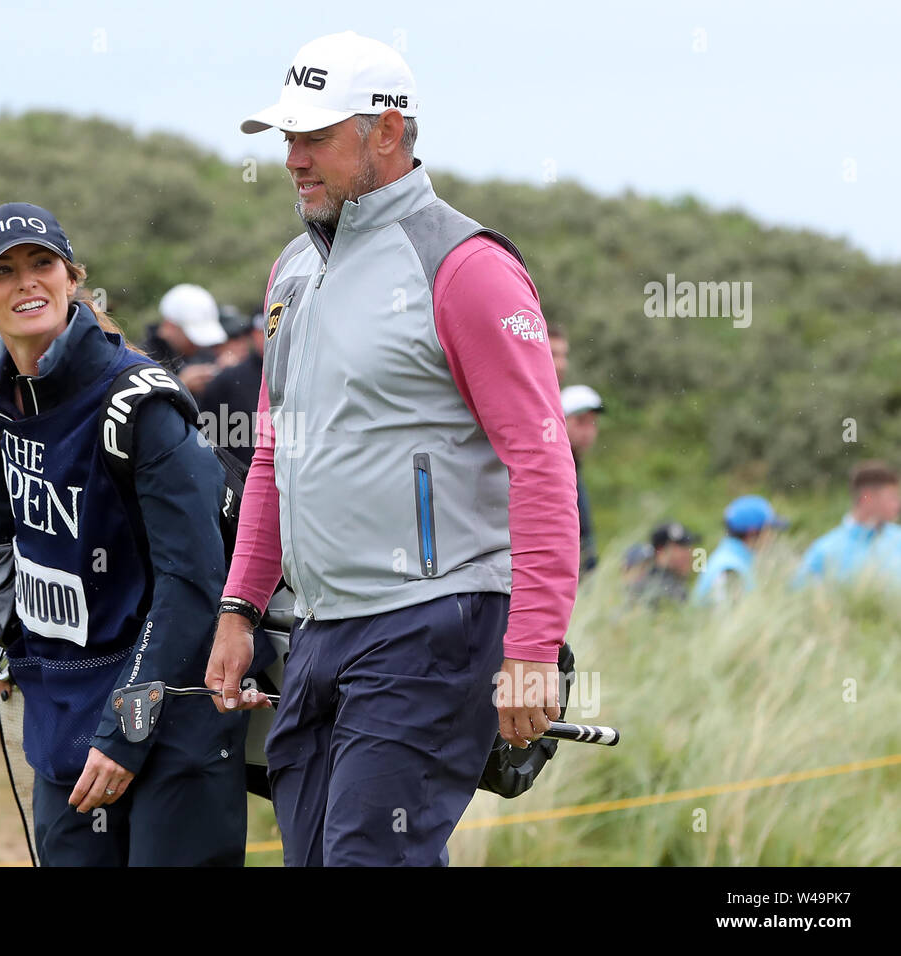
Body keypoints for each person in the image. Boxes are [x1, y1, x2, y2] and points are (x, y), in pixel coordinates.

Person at [205, 31, 579, 867]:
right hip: (320, 626)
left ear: (386, 131)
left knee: (368, 858)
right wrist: (238, 610)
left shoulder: (467, 266)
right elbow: (273, 456)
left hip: (436, 621)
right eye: (286, 138)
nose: (293, 159)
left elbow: (542, 462)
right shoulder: (291, 271)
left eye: (315, 137)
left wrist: (530, 650)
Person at [0, 202, 246, 866]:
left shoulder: (139, 403)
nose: (26, 282)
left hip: (171, 697)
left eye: (42, 264)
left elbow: (194, 582)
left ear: (71, 277)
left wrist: (128, 727)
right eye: (3, 272)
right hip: (64, 698)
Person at [795, 461, 901, 587]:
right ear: (868, 498)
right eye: (892, 497)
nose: (898, 505)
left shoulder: (898, 539)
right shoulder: (825, 551)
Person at [199, 310, 266, 470]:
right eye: (262, 332)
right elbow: (206, 439)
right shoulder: (226, 380)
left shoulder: (298, 374)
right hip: (241, 480)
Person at [692, 495, 787, 604]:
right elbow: (726, 619)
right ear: (752, 533)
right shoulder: (730, 569)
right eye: (769, 530)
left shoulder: (730, 559)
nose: (772, 537)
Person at [141, 283, 226, 399]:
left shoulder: (203, 354)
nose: (197, 345)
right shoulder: (142, 360)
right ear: (170, 325)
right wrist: (180, 387)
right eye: (191, 336)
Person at [562, 384, 603, 576]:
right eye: (580, 421)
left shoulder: (574, 467)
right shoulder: (556, 469)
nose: (588, 431)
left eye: (593, 423)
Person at [630, 522, 698, 606]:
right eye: (681, 546)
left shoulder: (642, 585)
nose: (689, 553)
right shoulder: (665, 591)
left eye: (689, 546)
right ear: (661, 550)